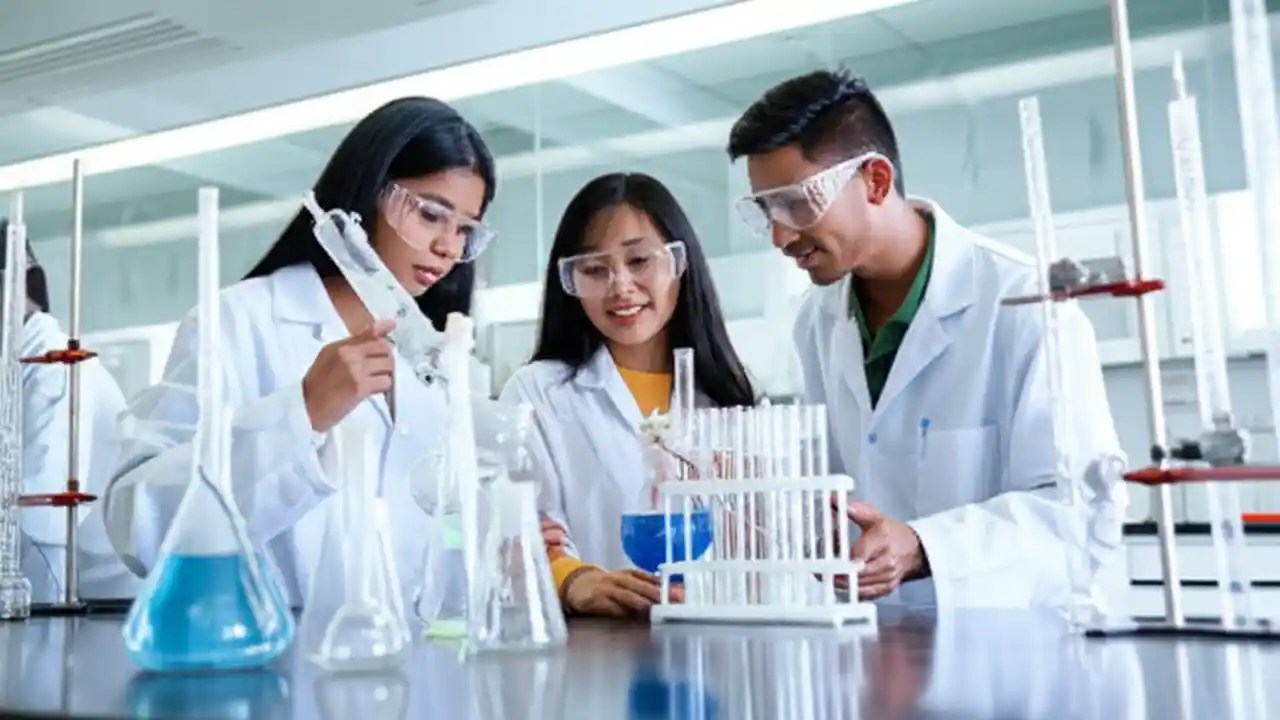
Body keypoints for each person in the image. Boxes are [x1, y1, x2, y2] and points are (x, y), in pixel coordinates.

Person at [725, 70, 1128, 611]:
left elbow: (1079, 513)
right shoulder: (817, 319)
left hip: (1023, 652)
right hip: (883, 653)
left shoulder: (1025, 303)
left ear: (875, 180)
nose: (779, 235)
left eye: (796, 203)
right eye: (765, 210)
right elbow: (840, 496)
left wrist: (922, 547)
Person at [103, 96, 498, 607]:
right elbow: (138, 524)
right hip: (270, 664)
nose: (448, 247)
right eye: (429, 214)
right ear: (369, 193)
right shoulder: (242, 321)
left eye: (465, 230)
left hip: (418, 667)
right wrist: (304, 412)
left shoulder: (443, 363)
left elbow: (445, 539)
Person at [500, 172, 757, 618]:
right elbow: (520, 533)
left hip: (720, 640)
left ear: (680, 262)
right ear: (570, 282)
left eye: (639, 261)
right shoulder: (539, 393)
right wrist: (576, 581)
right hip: (600, 647)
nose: (620, 286)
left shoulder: (730, 394)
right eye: (595, 270)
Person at [1, 226, 136, 601]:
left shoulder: (54, 365)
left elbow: (42, 520)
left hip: (90, 599)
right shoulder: (18, 366)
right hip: (51, 593)